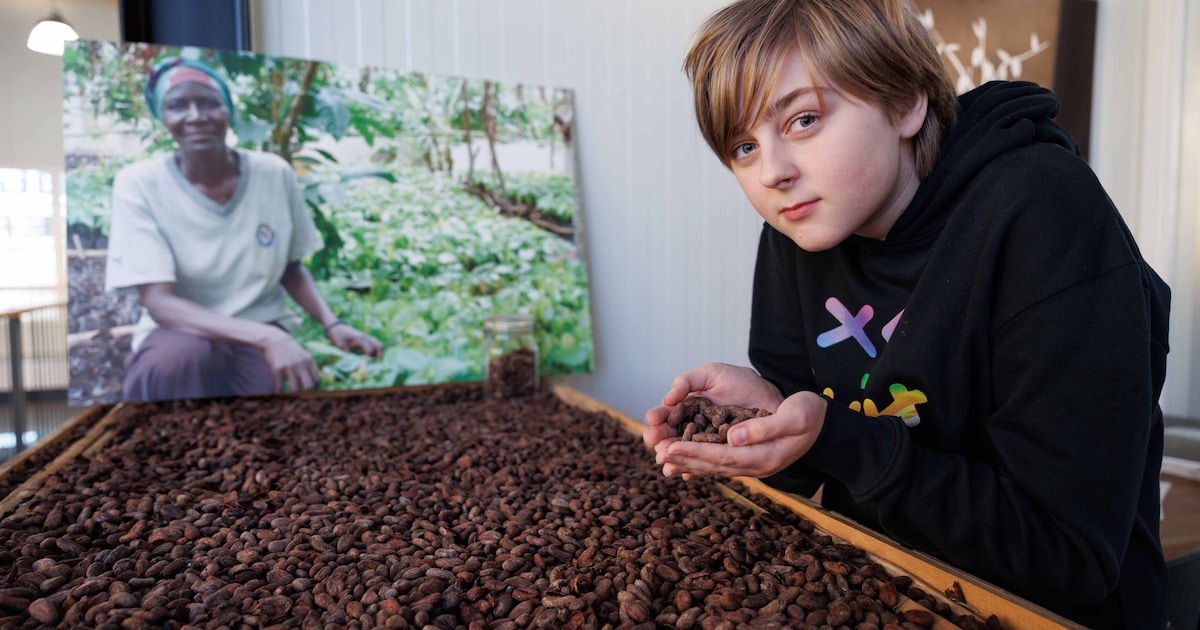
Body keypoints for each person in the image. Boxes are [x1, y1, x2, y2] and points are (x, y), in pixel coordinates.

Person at [642, 1, 1171, 627]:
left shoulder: (1043, 213)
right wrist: (767, 414)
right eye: (744, 145)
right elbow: (827, 455)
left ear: (906, 104)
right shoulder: (799, 227)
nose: (773, 173)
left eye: (805, 120)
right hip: (885, 585)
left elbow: (1069, 557)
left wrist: (837, 436)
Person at [105, 56, 383, 402]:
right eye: (178, 106)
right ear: (163, 117)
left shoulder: (273, 174)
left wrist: (332, 324)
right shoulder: (140, 184)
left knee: (288, 383)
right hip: (181, 332)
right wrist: (270, 338)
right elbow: (159, 302)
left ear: (228, 110)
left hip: (259, 324)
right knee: (175, 364)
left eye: (209, 103)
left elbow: (290, 267)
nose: (196, 117)